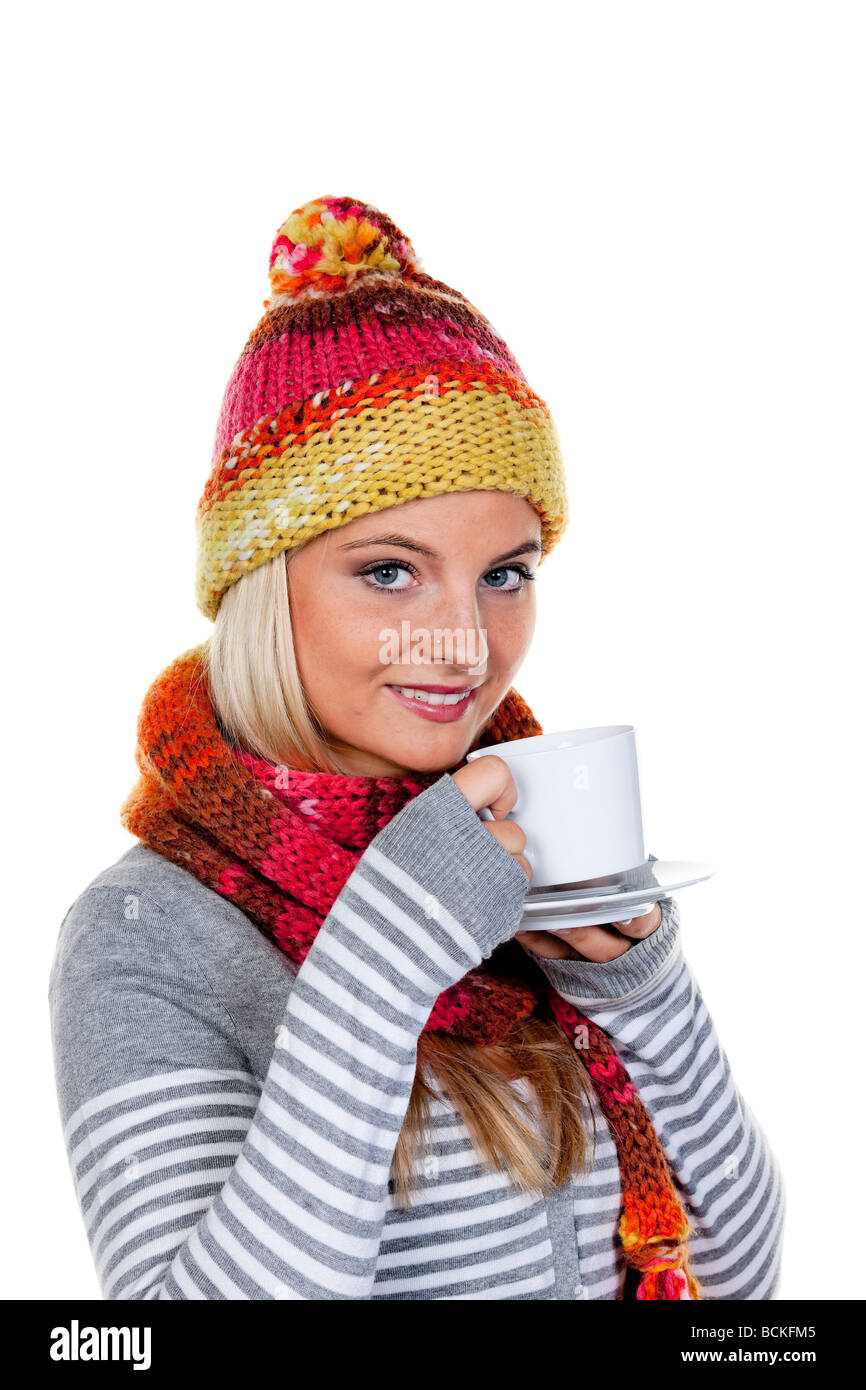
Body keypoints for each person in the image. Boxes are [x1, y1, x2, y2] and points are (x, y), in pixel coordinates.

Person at [49, 195, 785, 1301]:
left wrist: (641, 990)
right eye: (388, 570)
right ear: (263, 581)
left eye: (505, 572)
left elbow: (738, 1295)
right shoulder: (147, 933)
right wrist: (387, 943)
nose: (463, 643)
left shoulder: (516, 863)